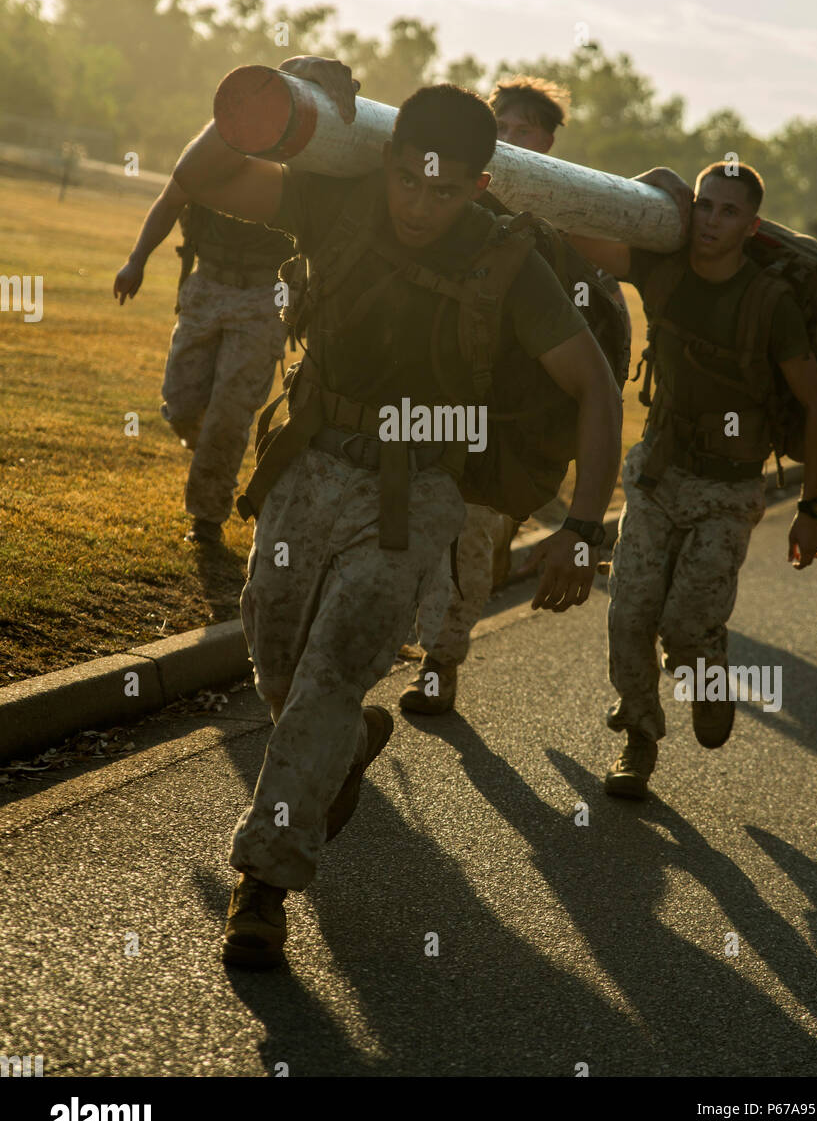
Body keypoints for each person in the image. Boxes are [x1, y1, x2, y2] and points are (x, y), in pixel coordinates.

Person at [171, 56, 623, 967]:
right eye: (407, 180)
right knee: (275, 655)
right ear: (386, 159)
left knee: (333, 672)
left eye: (446, 192)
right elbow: (204, 175)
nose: (420, 206)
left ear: (480, 186)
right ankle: (343, 749)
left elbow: (596, 387)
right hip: (305, 467)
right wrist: (275, 102)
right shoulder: (333, 201)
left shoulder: (507, 259)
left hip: (415, 495)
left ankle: (263, 887)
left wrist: (579, 528)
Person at [561, 161, 817, 799]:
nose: (712, 222)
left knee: (684, 628)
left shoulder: (770, 303)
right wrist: (647, 184)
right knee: (628, 615)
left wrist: (813, 508)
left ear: (752, 226)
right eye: (704, 206)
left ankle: (705, 666)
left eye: (728, 212)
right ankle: (639, 736)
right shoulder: (664, 270)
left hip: (728, 493)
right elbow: (579, 228)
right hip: (657, 478)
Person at [402, 74, 632, 716]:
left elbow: (595, 357)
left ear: (550, 140)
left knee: (467, 541)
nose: (508, 136)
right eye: (499, 123)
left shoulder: (566, 217)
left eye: (523, 128)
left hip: (500, 421)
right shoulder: (446, 197)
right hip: (423, 407)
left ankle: (440, 664)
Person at [114, 183, 291, 543]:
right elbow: (169, 200)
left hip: (263, 295)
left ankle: (206, 517)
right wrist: (136, 259)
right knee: (180, 405)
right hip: (207, 284)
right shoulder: (213, 150)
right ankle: (212, 450)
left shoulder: (289, 155)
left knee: (228, 415)